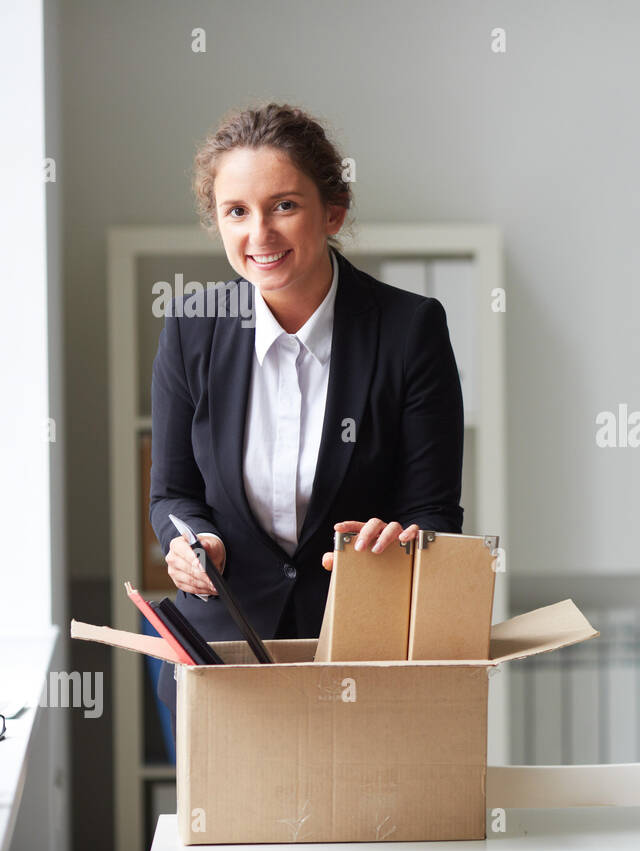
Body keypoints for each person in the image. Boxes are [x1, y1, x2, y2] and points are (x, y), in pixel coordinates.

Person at [150, 103, 464, 731]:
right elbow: (173, 495)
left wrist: (399, 541)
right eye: (236, 211)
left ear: (333, 213)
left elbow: (434, 513)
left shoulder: (409, 329)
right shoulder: (191, 329)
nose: (259, 234)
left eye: (284, 205)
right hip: (223, 662)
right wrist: (188, 543)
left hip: (364, 655)